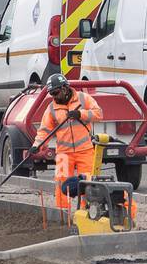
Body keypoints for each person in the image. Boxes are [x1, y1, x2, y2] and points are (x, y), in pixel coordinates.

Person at [34, 74, 103, 211]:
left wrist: (80, 114)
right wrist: (37, 146)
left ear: (65, 88)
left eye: (56, 92)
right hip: (64, 153)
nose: (54, 96)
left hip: (85, 150)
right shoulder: (52, 109)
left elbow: (98, 114)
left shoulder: (83, 99)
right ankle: (63, 213)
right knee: (61, 183)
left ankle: (88, 211)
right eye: (51, 94)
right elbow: (44, 131)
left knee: (89, 183)